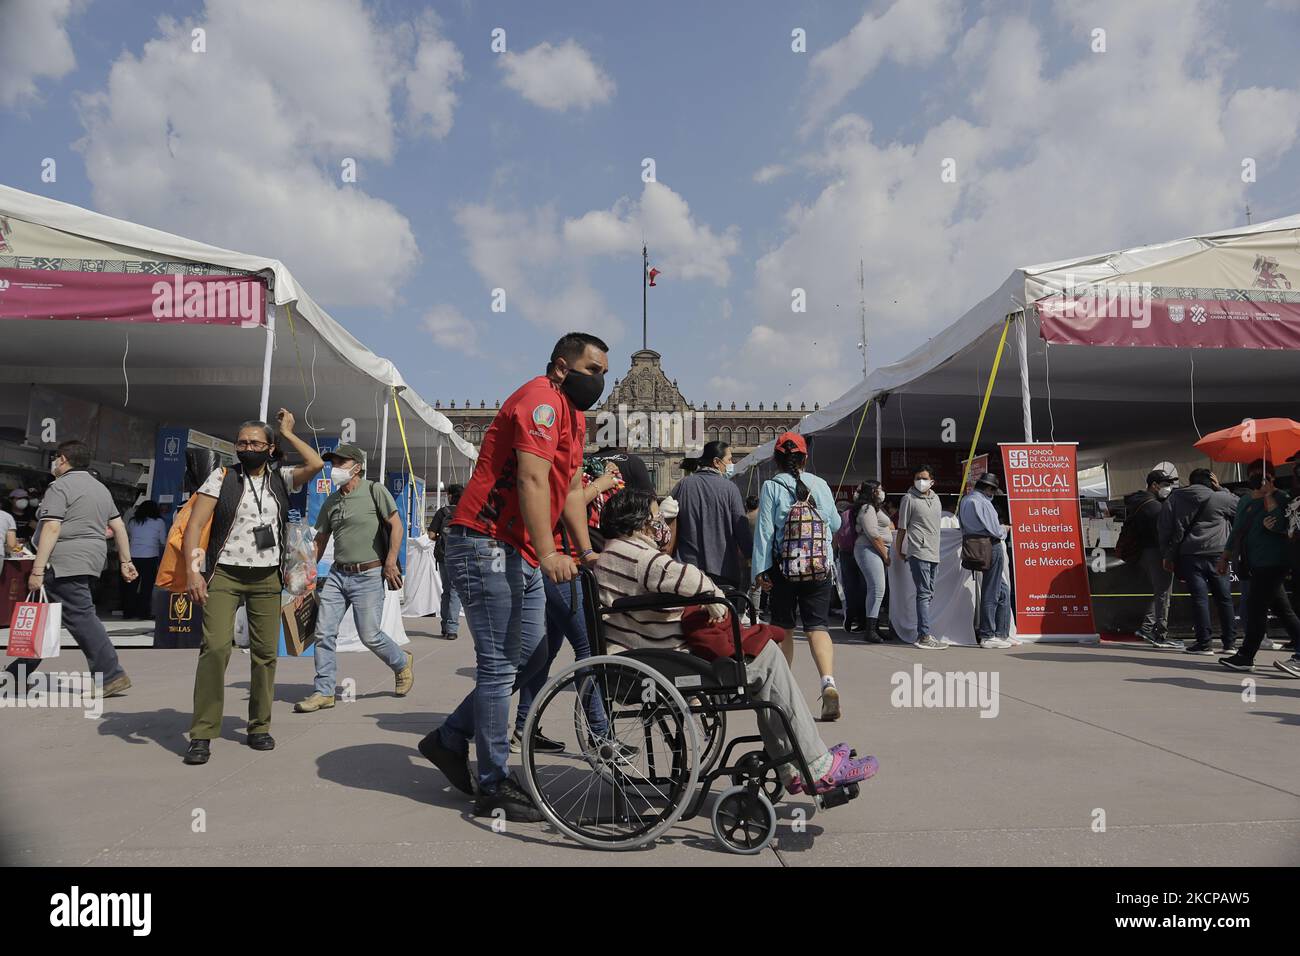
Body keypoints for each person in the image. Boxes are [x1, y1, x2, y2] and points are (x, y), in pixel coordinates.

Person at [418, 332, 607, 823]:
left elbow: (565, 491)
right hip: (484, 540)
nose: (599, 381)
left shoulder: (574, 418)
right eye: (593, 370)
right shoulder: (541, 401)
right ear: (562, 367)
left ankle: (451, 737)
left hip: (514, 548)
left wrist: (586, 553)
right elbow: (530, 478)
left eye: (604, 372)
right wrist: (549, 553)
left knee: (534, 654)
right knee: (502, 663)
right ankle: (493, 783)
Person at [594, 489, 877, 793]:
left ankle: (798, 762)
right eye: (656, 518)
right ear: (638, 523)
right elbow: (686, 577)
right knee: (766, 660)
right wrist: (712, 596)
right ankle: (812, 765)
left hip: (648, 654)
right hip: (658, 662)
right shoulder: (633, 555)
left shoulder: (616, 554)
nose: (660, 524)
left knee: (765, 657)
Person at [181, 410, 325, 766]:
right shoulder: (222, 476)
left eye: (256, 443)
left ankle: (258, 726)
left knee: (265, 654)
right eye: (243, 442)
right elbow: (196, 525)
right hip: (224, 574)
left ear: (269, 448)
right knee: (214, 648)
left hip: (266, 577)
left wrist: (288, 432)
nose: (248, 448)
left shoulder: (281, 478)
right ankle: (202, 732)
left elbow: (316, 463)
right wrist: (193, 571)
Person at [509, 448, 653, 752]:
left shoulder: (573, 468)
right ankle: (600, 736)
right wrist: (600, 484)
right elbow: (563, 505)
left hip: (563, 567)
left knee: (543, 654)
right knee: (588, 650)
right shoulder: (564, 471)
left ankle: (524, 728)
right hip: (562, 567)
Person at [4, 440, 138, 696]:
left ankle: (111, 675)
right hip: (91, 560)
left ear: (63, 459)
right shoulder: (100, 489)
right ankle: (18, 673)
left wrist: (38, 569)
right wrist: (125, 561)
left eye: (55, 458)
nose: (54, 462)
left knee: (81, 616)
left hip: (64, 561)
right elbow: (119, 527)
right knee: (44, 619)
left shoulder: (60, 487)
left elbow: (52, 528)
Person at [294, 444, 414, 713]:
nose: (335, 468)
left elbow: (396, 525)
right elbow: (321, 539)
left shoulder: (374, 491)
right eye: (333, 463)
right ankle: (324, 691)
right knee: (324, 633)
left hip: (369, 574)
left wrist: (392, 561)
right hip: (338, 575)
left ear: (356, 466)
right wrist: (307, 573)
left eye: (340, 463)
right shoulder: (332, 501)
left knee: (370, 635)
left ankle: (401, 663)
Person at [752, 432, 843, 720]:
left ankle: (783, 694)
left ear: (776, 459)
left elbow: (765, 532)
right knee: (818, 627)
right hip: (819, 568)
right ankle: (828, 683)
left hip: (784, 570)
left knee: (783, 628)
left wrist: (760, 571)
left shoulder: (771, 486)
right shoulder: (820, 485)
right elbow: (836, 523)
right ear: (805, 457)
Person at [1218, 463, 1300, 676]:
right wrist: (1225, 556)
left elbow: (1285, 524)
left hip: (1274, 561)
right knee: (1282, 610)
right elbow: (1236, 531)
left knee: (1256, 607)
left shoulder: (1282, 497)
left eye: (1263, 476)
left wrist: (1268, 494)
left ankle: (1246, 655)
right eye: (1254, 477)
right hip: (1254, 562)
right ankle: (1245, 655)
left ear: (1272, 477)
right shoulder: (1245, 499)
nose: (1258, 480)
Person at [1158, 467, 1239, 655]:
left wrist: (1167, 555)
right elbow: (1242, 506)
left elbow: (1164, 529)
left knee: (1199, 600)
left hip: (1190, 555)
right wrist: (1221, 489)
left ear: (1191, 481)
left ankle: (1204, 644)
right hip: (1218, 555)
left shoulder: (1176, 498)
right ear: (1211, 481)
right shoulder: (1220, 497)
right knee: (1224, 599)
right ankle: (1230, 644)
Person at [671, 440, 752, 589]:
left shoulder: (683, 485)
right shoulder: (730, 489)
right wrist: (751, 556)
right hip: (723, 571)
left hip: (688, 570)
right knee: (722, 612)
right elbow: (742, 530)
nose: (731, 463)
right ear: (716, 461)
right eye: (729, 459)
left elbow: (670, 521)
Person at [1123, 469, 1181, 649]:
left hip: (1146, 552)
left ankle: (1148, 627)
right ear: (1154, 485)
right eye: (1166, 484)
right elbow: (1164, 533)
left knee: (1160, 592)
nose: (1169, 488)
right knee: (1164, 593)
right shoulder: (1155, 506)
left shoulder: (1142, 502)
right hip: (1157, 552)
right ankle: (1159, 634)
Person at [958, 473, 1013, 648]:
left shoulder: (966, 501)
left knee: (1001, 589)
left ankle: (1002, 634)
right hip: (991, 545)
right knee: (992, 590)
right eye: (993, 491)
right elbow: (995, 531)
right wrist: (1005, 529)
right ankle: (988, 635)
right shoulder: (984, 503)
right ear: (989, 488)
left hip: (974, 546)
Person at [895, 463, 945, 649]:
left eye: (924, 478)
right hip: (918, 551)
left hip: (934, 552)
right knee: (924, 594)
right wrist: (899, 548)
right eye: (918, 478)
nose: (921, 482)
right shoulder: (909, 499)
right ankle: (924, 635)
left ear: (932, 481)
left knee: (929, 593)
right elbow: (902, 527)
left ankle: (924, 632)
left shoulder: (937, 499)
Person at [853, 480, 892, 644]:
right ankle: (870, 629)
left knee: (877, 589)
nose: (882, 492)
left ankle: (873, 627)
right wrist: (885, 555)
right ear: (873, 491)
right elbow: (873, 534)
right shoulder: (867, 509)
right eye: (880, 489)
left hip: (873, 550)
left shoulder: (873, 508)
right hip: (869, 549)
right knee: (877, 588)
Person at [427, 482, 464, 640]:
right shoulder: (466, 512)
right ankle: (452, 628)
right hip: (460, 557)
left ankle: (445, 625)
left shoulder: (443, 512)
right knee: (456, 591)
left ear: (450, 496)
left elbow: (431, 535)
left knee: (447, 590)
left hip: (443, 556)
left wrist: (440, 537)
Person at [123, 500, 168, 619]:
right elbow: (163, 541)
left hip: (132, 556)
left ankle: (128, 612)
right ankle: (143, 613)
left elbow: (129, 536)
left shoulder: (133, 522)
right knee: (146, 587)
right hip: (150, 557)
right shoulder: (159, 522)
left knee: (131, 586)